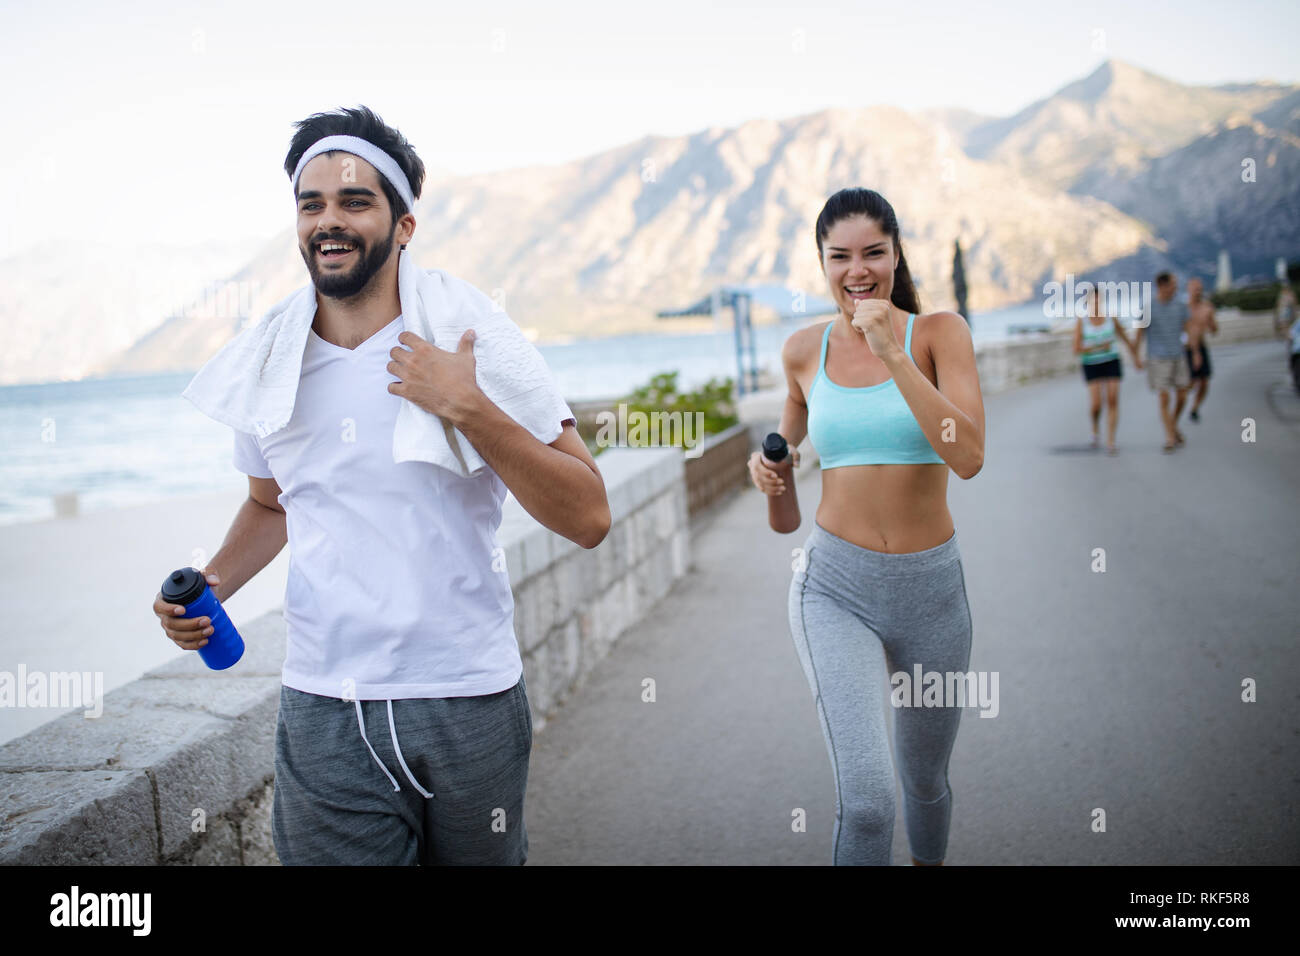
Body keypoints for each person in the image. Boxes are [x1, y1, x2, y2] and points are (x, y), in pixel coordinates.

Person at [152, 105, 611, 865]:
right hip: (328, 708)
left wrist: (468, 406)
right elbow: (273, 503)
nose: (329, 221)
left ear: (403, 225)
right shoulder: (269, 358)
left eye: (355, 201)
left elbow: (589, 513)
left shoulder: (467, 332)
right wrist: (213, 585)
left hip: (470, 699)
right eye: (312, 204)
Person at [748, 187, 985, 865]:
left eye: (873, 253)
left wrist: (893, 353)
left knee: (925, 783)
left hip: (933, 593)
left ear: (895, 254)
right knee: (870, 799)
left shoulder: (941, 334)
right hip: (835, 591)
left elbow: (967, 456)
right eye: (840, 256)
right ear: (822, 264)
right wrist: (772, 478)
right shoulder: (801, 352)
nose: (858, 270)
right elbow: (783, 515)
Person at [1073, 283, 1142, 455]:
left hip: (1111, 360)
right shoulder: (1083, 322)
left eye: (1098, 301)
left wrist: (1135, 356)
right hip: (1091, 364)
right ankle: (1095, 428)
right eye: (1092, 301)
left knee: (1112, 398)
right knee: (1096, 404)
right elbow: (1076, 349)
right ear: (1088, 303)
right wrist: (1097, 347)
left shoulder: (1111, 318)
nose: (1096, 304)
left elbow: (1125, 337)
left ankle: (1111, 440)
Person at [1133, 272, 1192, 453]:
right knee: (1164, 396)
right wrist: (1135, 355)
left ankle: (1172, 425)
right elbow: (1140, 332)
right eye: (1172, 285)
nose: (1175, 288)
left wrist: (1194, 350)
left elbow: (1188, 328)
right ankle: (1169, 437)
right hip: (1157, 358)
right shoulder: (1148, 308)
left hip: (1178, 356)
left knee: (1182, 395)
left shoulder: (1181, 306)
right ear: (1162, 286)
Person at [1184, 277, 1217, 422]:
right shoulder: (1184, 308)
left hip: (1201, 346)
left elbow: (1214, 330)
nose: (1197, 291)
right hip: (1186, 349)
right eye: (1194, 288)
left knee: (1204, 383)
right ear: (1189, 290)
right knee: (1190, 383)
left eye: (1199, 289)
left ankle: (1194, 408)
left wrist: (1210, 320)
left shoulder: (1206, 308)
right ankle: (1180, 405)